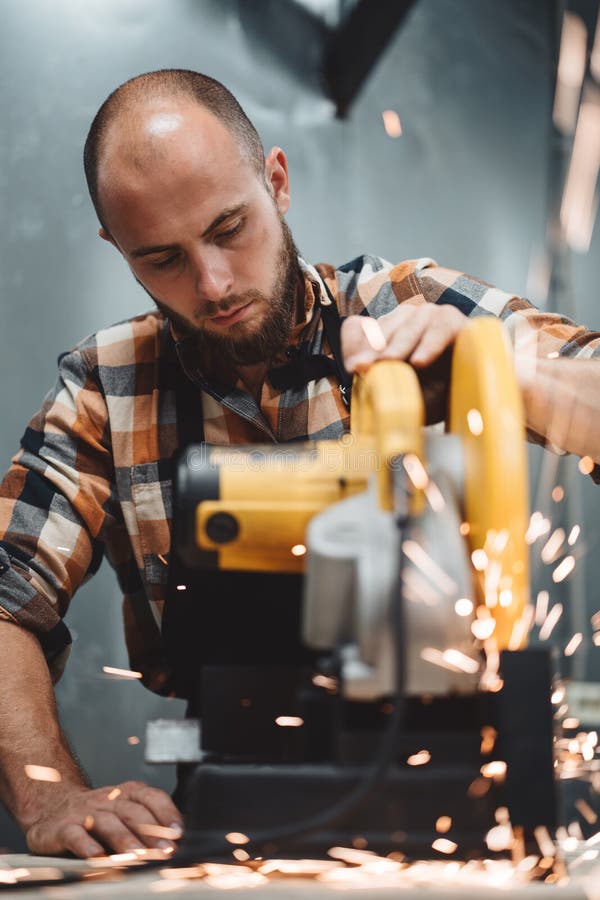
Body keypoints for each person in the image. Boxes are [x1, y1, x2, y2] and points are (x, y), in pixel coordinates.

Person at [0, 69, 599, 861]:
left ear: (275, 183)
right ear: (118, 248)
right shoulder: (106, 386)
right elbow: (7, 603)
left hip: (462, 791)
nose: (212, 283)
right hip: (234, 807)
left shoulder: (410, 306)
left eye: (228, 228)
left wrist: (506, 371)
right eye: (163, 259)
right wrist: (50, 796)